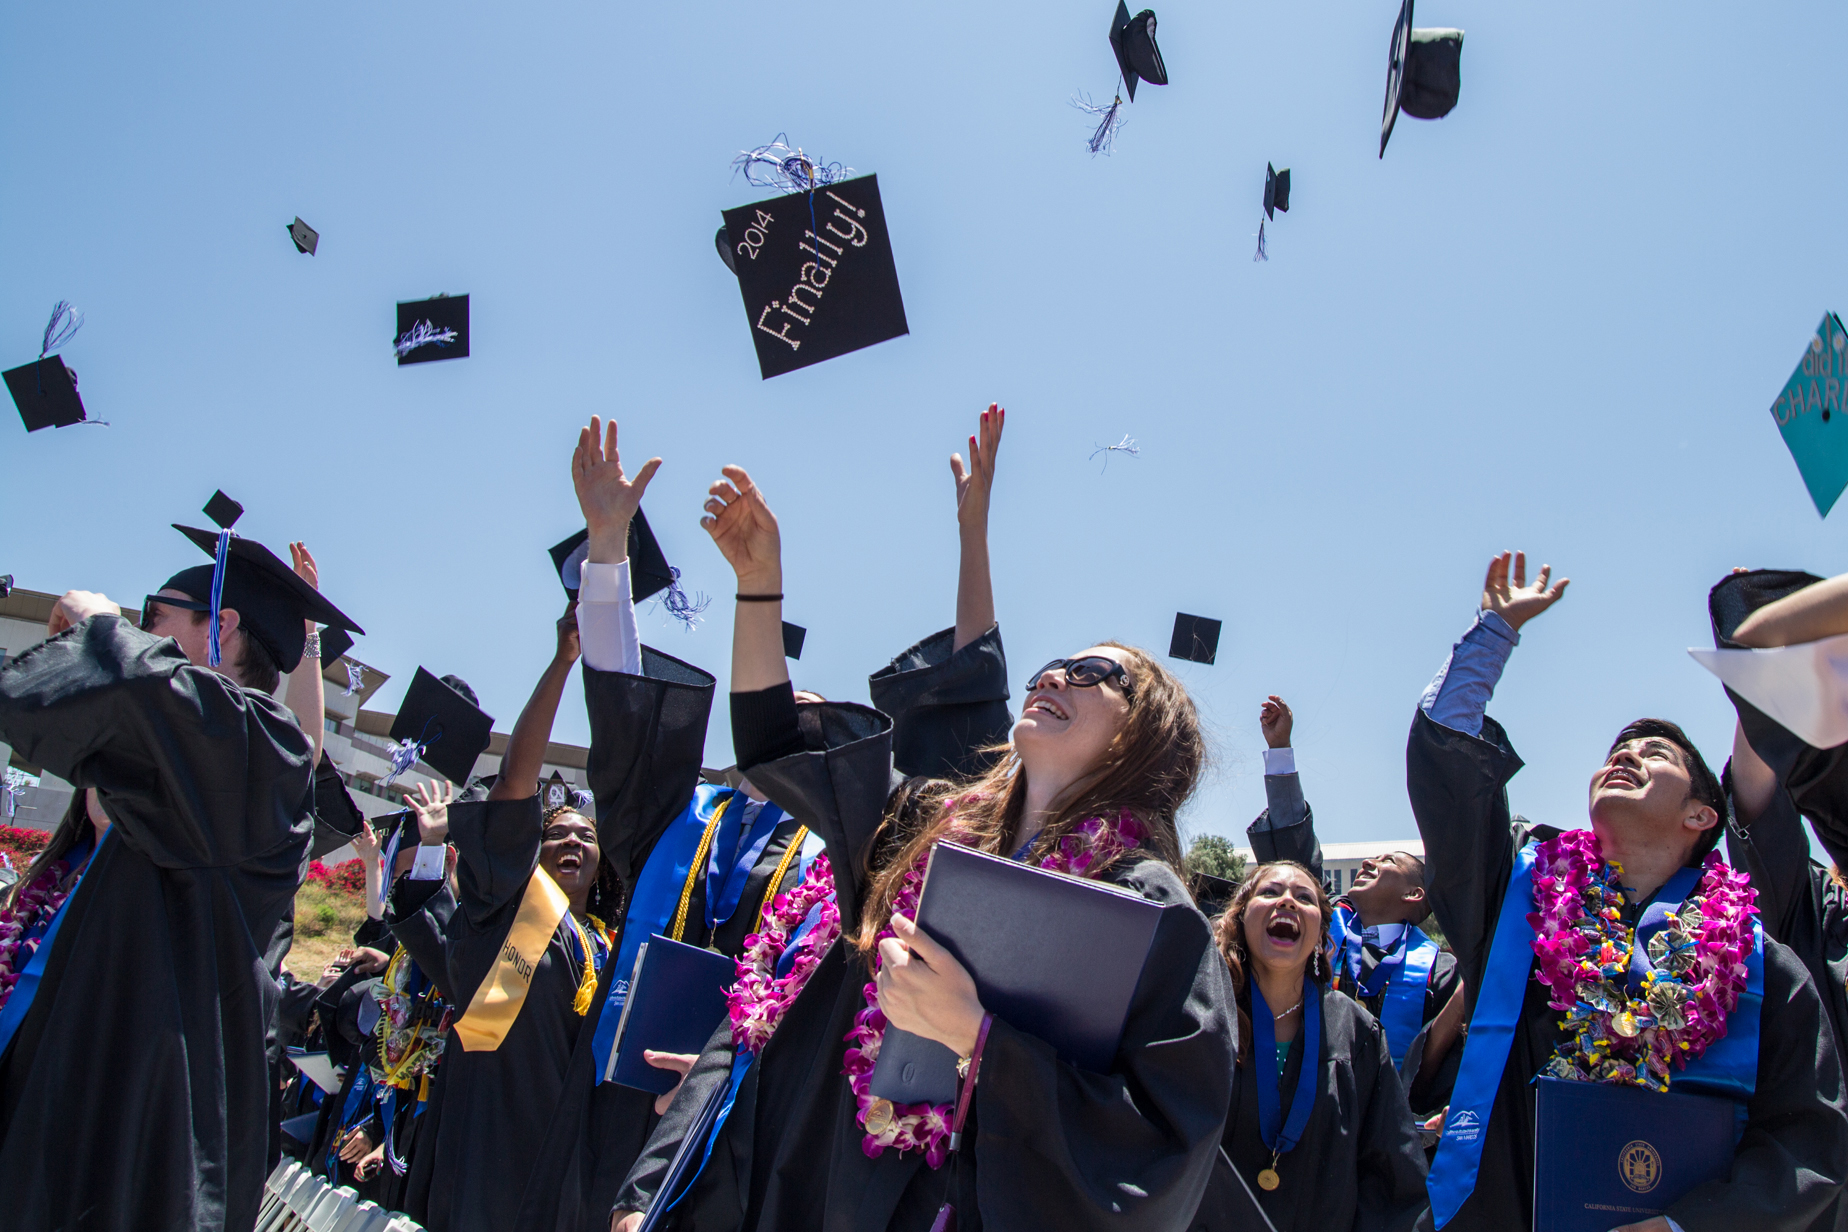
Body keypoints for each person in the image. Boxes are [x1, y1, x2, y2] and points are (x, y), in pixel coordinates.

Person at [612, 429, 1237, 1232]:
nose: (1053, 675)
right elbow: (780, 745)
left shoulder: (1145, 908)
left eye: (1093, 674)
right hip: (791, 1185)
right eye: (1054, 663)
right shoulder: (923, 828)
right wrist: (760, 586)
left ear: (1143, 732)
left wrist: (978, 1038)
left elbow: (1162, 1141)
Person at [1408, 551, 1848, 1232]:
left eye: (1656, 753)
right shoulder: (1518, 914)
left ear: (1703, 816)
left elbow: (1808, 1143)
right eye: (1617, 750)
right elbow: (1449, 786)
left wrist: (1682, 1227)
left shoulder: (1765, 968)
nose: (1625, 755)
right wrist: (1492, 632)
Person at [0, 525, 359, 1231]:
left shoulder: (262, 750)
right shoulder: (189, 757)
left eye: (152, 616)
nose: (141, 630)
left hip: (127, 1118)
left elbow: (169, 699)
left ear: (220, 626)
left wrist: (102, 629)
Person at [386, 576, 662, 1232]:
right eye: (554, 832)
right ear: (526, 853)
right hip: (489, 1154)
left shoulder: (612, 944)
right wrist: (563, 664)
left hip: (574, 1163)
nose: (569, 838)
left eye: (582, 834)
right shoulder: (511, 912)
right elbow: (515, 784)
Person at [1245, 695, 1464, 1117]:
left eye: (1388, 862)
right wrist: (1279, 752)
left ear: (1415, 895)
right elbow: (1294, 853)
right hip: (1293, 1104)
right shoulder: (1321, 927)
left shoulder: (1441, 973)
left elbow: (1438, 1067)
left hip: (1380, 1128)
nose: (1369, 861)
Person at [1213, 861, 1429, 1230]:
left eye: (1303, 897)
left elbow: (1392, 1176)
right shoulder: (1209, 1012)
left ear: (1320, 933)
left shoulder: (1356, 1032)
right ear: (1241, 917)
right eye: (1269, 892)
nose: (1287, 902)